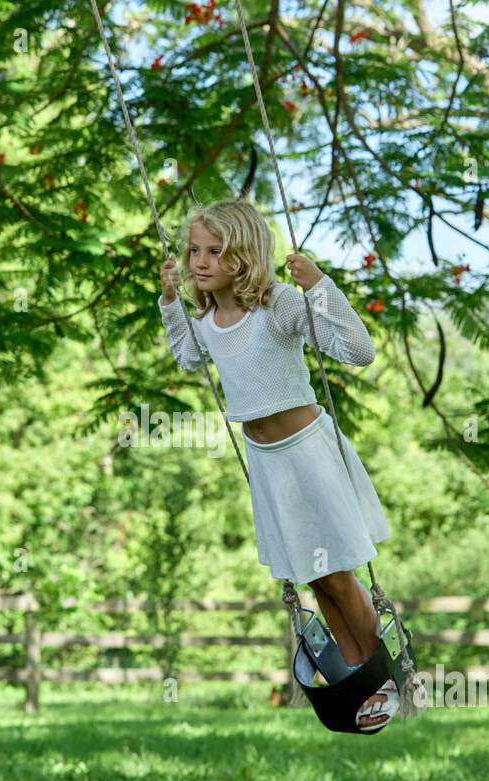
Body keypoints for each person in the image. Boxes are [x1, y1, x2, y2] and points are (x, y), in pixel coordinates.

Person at [157, 199, 399, 731]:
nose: (200, 261)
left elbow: (357, 350)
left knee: (336, 573)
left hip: (309, 452)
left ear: (242, 254)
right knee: (314, 578)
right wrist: (171, 301)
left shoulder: (280, 304)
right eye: (194, 250)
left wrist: (320, 286)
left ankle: (387, 680)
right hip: (267, 464)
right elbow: (187, 356)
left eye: (215, 251)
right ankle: (359, 675)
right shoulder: (207, 321)